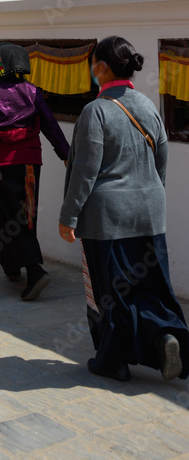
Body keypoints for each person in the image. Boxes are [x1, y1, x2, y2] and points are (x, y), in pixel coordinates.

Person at [60, 36, 188, 382]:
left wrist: (69, 216)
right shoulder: (148, 106)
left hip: (107, 219)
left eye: (93, 63)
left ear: (101, 68)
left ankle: (113, 360)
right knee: (150, 285)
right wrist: (147, 195)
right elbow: (161, 161)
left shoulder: (96, 111)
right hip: (149, 215)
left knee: (111, 292)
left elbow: (85, 170)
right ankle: (165, 336)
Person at [0, 43, 70, 301]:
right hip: (30, 164)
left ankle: (35, 270)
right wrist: (65, 154)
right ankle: (11, 266)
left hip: (2, 164)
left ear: (0, 65)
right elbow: (50, 124)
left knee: (7, 216)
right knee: (26, 215)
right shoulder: (32, 91)